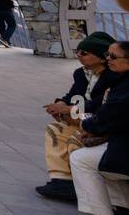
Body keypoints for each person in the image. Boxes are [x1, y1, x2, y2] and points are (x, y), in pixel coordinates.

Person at [37, 32, 118, 203]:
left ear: (102, 57)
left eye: (84, 53)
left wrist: (68, 109)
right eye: (78, 51)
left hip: (100, 122)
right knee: (55, 129)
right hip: (82, 115)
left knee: (75, 139)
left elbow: (97, 105)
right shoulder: (82, 74)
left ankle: (81, 184)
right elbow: (74, 95)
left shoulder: (114, 77)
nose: (79, 55)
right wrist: (60, 103)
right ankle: (62, 181)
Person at [65, 39, 129, 215]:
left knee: (82, 159)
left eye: (112, 56)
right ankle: (122, 211)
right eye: (107, 55)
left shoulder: (124, 87)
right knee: (101, 154)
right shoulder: (118, 79)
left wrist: (81, 121)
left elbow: (105, 118)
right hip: (120, 139)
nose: (108, 59)